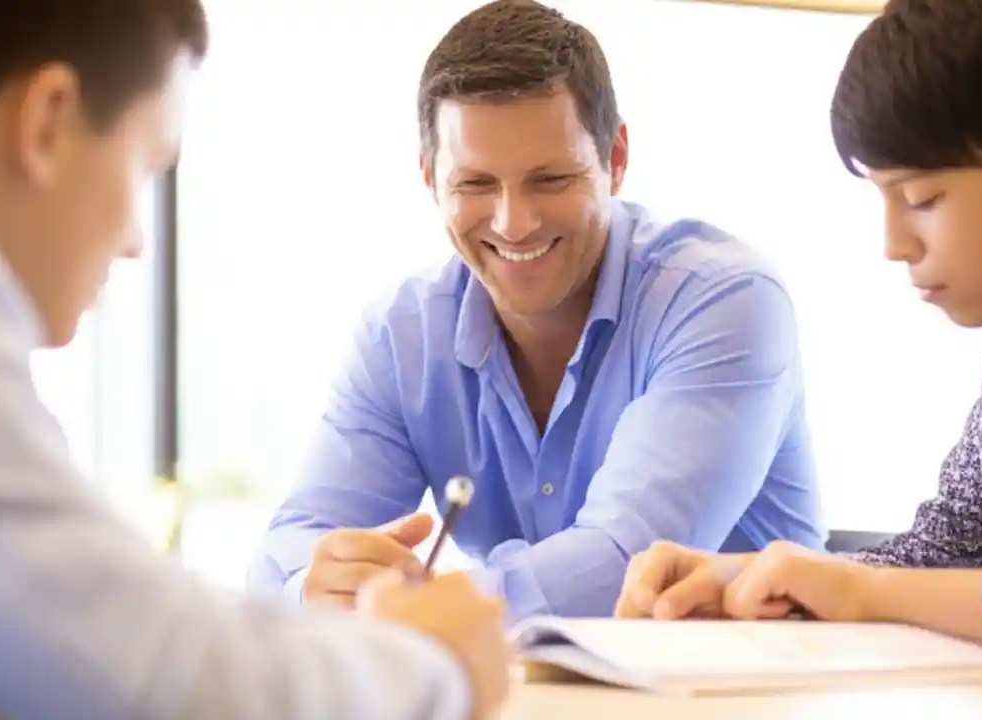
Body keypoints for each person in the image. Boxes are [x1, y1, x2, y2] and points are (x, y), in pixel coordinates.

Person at [0, 1, 509, 718]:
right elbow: (163, 672)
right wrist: (432, 667)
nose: (135, 241)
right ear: (48, 123)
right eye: (144, 166)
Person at [616, 0, 982, 674]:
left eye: (922, 200)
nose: (893, 243)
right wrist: (748, 574)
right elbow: (938, 557)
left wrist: (868, 591)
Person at [247, 0, 824, 622]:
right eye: (474, 184)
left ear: (616, 159)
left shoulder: (723, 301)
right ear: (429, 178)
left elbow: (622, 563)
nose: (513, 223)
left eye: (550, 179)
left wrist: (419, 611)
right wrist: (318, 585)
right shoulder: (401, 336)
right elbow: (289, 553)